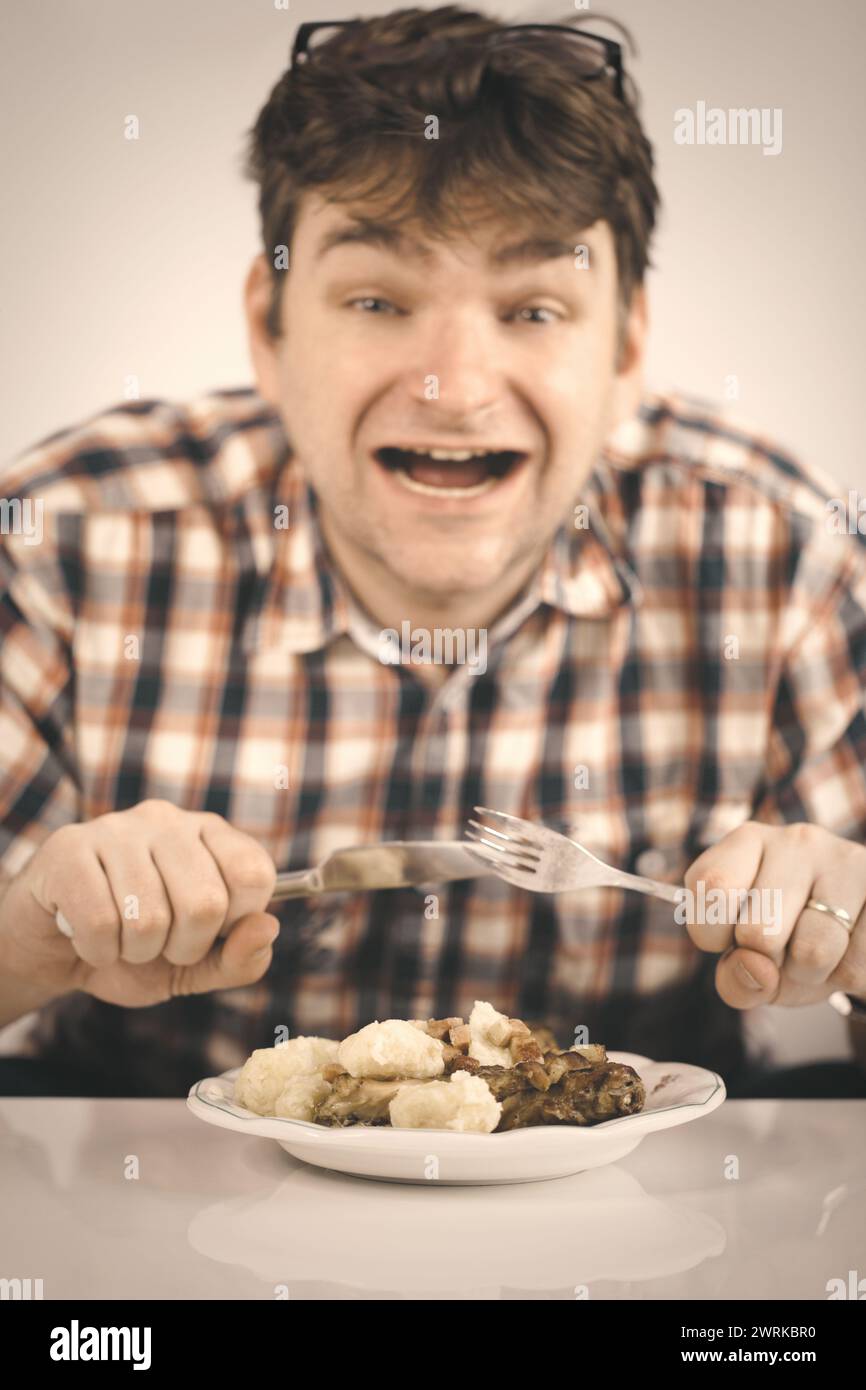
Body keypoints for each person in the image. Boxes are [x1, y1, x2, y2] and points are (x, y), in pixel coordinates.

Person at [1, 5, 865, 1099]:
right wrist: (29, 937)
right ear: (269, 324)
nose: (450, 387)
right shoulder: (58, 541)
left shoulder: (783, 556)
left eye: (533, 308)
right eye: (376, 299)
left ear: (626, 346)